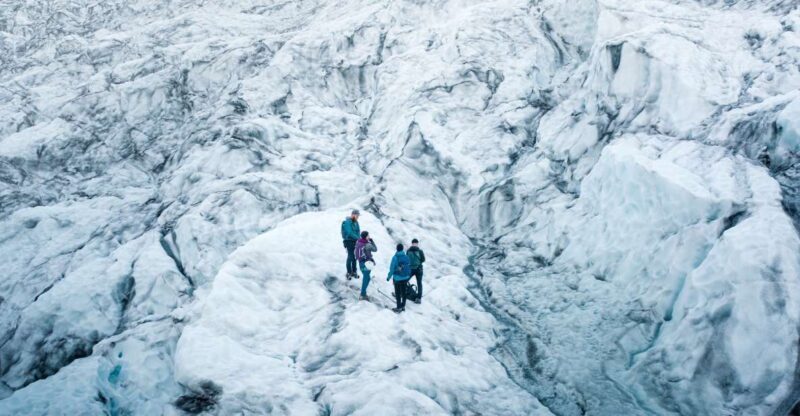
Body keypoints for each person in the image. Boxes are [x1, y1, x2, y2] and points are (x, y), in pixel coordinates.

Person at [386, 243, 411, 313]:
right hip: (405, 277)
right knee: (404, 292)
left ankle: (399, 307)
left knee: (397, 293)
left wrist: (388, 277)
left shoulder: (395, 257)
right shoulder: (406, 257)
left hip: (397, 278)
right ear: (402, 249)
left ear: (396, 249)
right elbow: (409, 266)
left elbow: (392, 269)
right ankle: (403, 306)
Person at [354, 231, 378, 301]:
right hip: (367, 264)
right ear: (366, 237)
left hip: (361, 263)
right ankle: (362, 294)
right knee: (366, 278)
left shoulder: (358, 242)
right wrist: (372, 241)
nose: (369, 236)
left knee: (367, 278)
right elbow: (375, 249)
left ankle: (363, 293)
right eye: (368, 235)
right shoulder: (368, 244)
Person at [341, 209, 360, 280]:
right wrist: (358, 238)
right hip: (348, 241)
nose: (358, 217)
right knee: (350, 256)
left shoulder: (356, 222)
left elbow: (358, 231)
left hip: (355, 241)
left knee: (354, 257)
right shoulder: (347, 222)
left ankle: (354, 271)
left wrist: (359, 239)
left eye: (358, 216)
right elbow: (349, 232)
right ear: (352, 215)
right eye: (357, 215)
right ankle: (348, 272)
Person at [406, 238, 426, 304]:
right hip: (419, 269)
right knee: (419, 283)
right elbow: (423, 259)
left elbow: (406, 259)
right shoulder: (420, 251)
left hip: (411, 269)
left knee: (404, 280)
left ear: (412, 243)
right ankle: (418, 298)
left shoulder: (408, 251)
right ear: (417, 244)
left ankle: (401, 293)